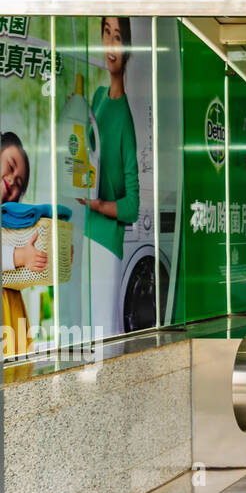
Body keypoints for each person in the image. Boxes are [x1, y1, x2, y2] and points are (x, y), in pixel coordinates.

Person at [80, 17, 140, 339]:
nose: (111, 45)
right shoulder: (99, 98)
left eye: (119, 37)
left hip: (106, 241)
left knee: (104, 332)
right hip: (85, 231)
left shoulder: (125, 121)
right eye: (107, 33)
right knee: (86, 329)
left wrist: (100, 204)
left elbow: (132, 206)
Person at [2, 130, 41, 357]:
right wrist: (18, 256)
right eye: (10, 165)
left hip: (12, 312)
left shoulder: (11, 220)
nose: (12, 180)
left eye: (19, 183)